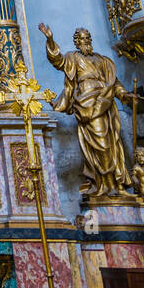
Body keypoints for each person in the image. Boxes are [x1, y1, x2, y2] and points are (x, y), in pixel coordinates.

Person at [39, 22, 133, 196]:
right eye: (82, 38)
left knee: (113, 143)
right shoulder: (73, 58)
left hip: (106, 100)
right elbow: (57, 61)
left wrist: (125, 95)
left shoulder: (103, 61)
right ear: (77, 42)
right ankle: (103, 183)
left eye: (88, 38)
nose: (86, 41)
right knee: (101, 144)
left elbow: (114, 83)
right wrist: (50, 39)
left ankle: (116, 186)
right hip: (87, 104)